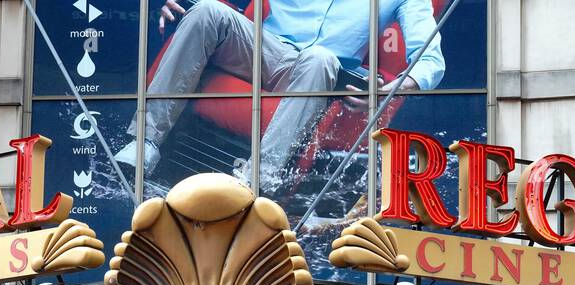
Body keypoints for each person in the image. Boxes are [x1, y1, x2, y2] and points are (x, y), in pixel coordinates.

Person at [114, 0, 446, 190]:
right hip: (262, 49)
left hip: (320, 72)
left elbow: (430, 60)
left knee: (321, 57)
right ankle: (146, 143)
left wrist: (385, 92)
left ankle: (258, 178)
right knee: (207, 11)